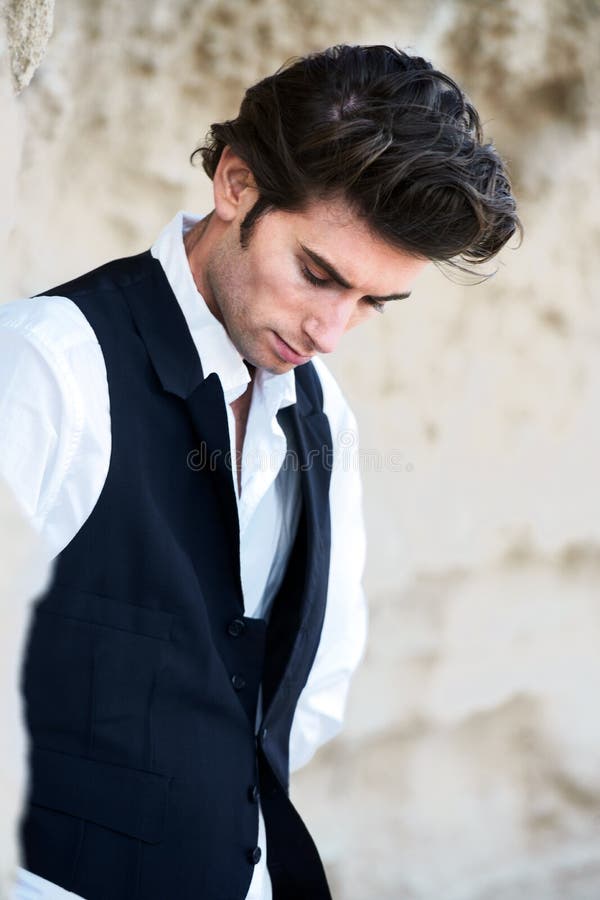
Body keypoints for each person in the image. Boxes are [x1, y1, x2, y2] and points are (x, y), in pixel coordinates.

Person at [0, 43, 520, 900]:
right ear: (236, 185)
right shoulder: (47, 367)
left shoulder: (324, 415)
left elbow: (306, 693)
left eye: (370, 304)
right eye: (318, 275)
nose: (329, 333)